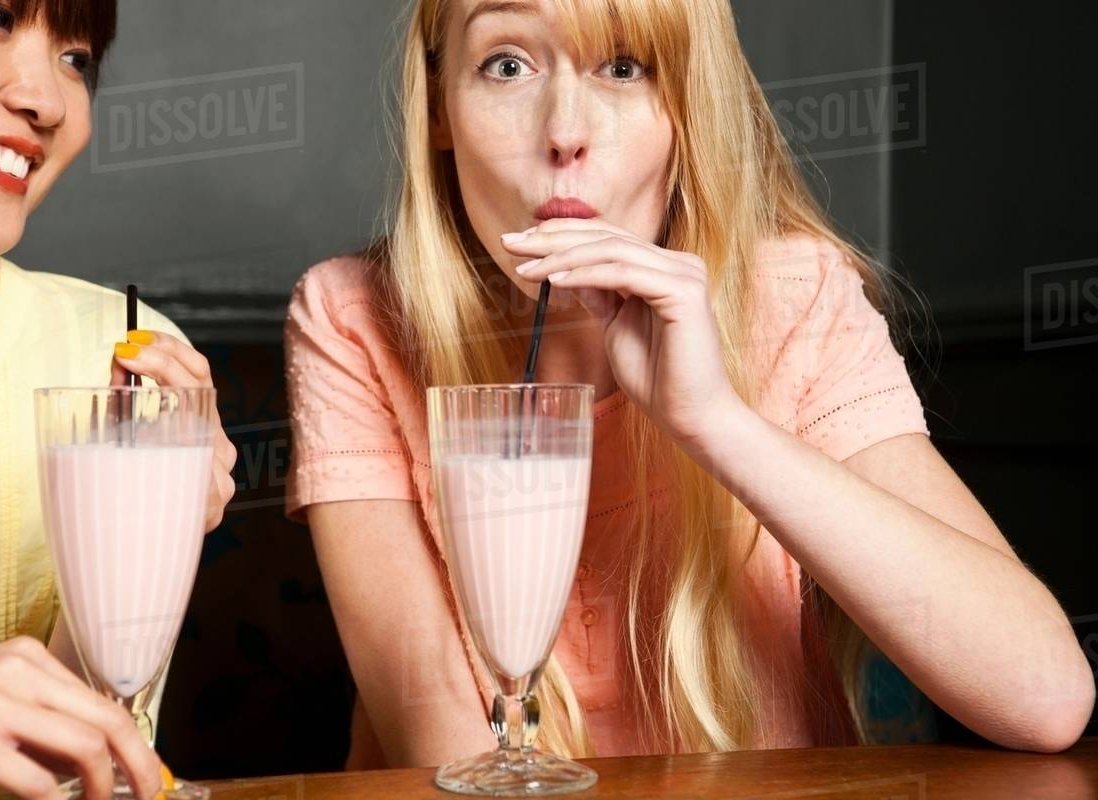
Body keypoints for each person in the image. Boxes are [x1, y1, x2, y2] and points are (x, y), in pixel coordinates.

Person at [283, 0, 1094, 769]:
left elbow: (1045, 697)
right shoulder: (353, 319)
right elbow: (451, 752)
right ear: (438, 110)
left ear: (685, 108)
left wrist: (715, 420)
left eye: (624, 67)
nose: (565, 134)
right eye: (506, 65)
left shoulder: (794, 297)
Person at [0, 1, 236, 797]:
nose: (49, 100)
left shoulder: (114, 359)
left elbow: (80, 772)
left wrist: (131, 563)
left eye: (76, 59)